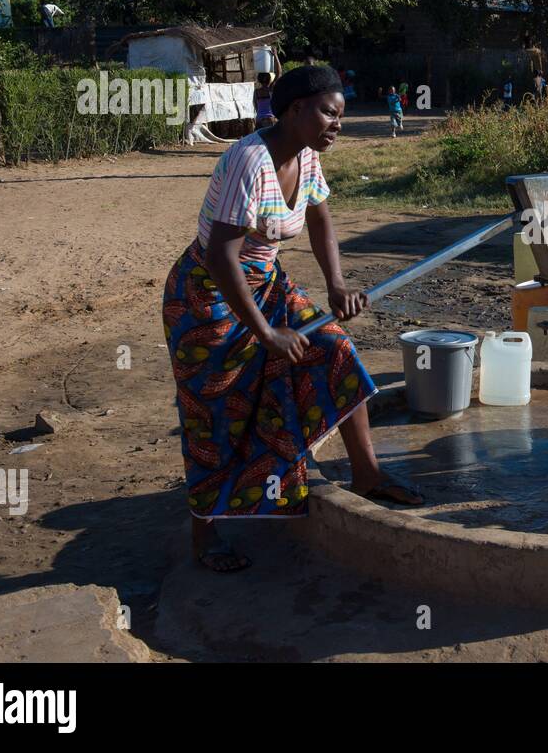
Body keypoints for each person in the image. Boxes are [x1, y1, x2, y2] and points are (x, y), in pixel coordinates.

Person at [162, 65, 423, 573]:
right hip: (208, 299)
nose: (338, 124)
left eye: (340, 115)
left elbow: (320, 215)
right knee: (216, 413)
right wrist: (265, 332)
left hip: (267, 282)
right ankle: (204, 531)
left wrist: (337, 285)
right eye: (329, 112)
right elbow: (221, 256)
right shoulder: (248, 161)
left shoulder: (305, 156)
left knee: (335, 350)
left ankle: (367, 473)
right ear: (296, 109)